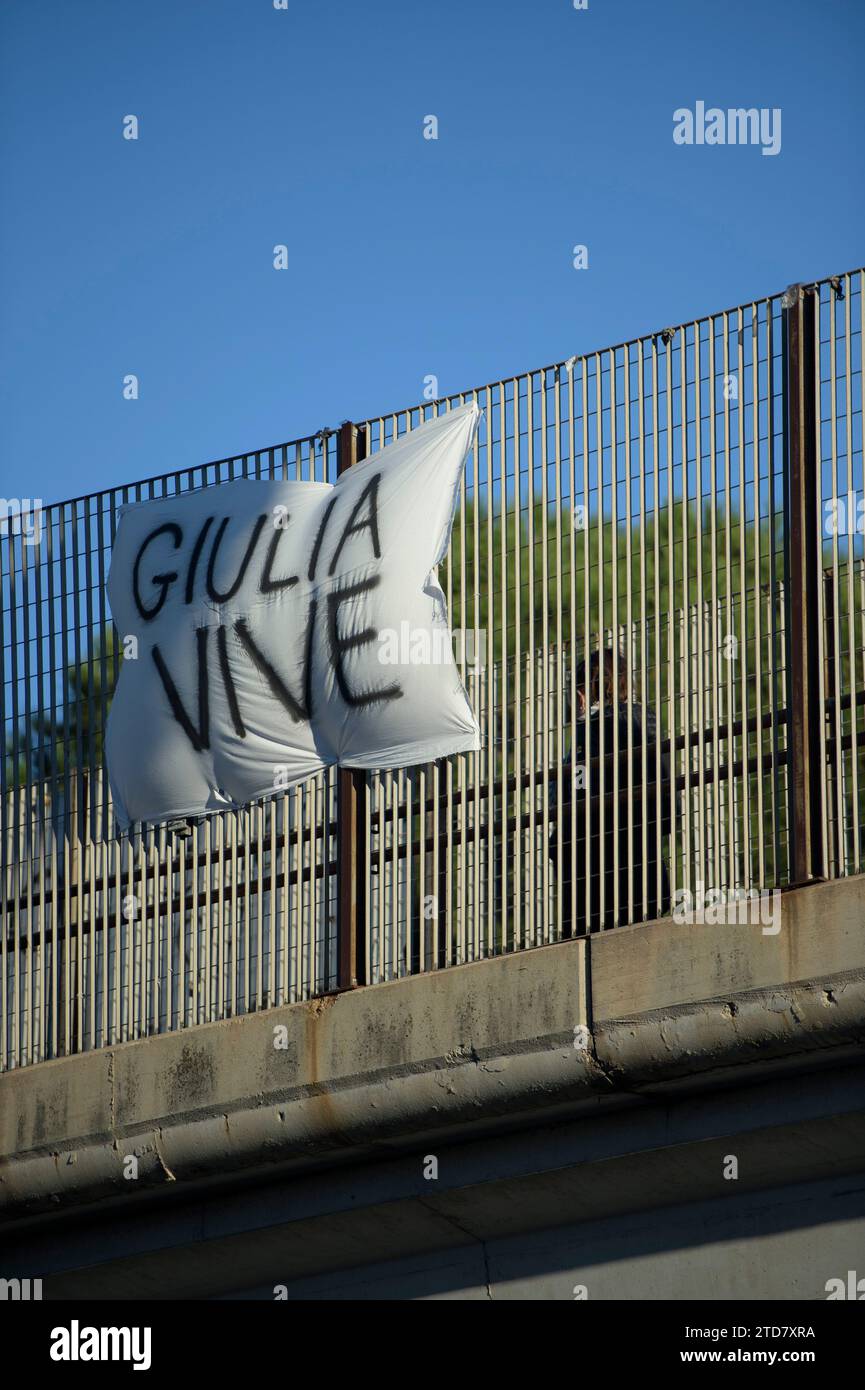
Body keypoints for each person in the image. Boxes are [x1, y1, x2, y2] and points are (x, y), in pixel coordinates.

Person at [550, 647, 672, 934]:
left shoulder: (591, 729)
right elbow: (665, 791)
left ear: (583, 692)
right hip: (641, 859)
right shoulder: (646, 719)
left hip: (595, 870)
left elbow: (571, 795)